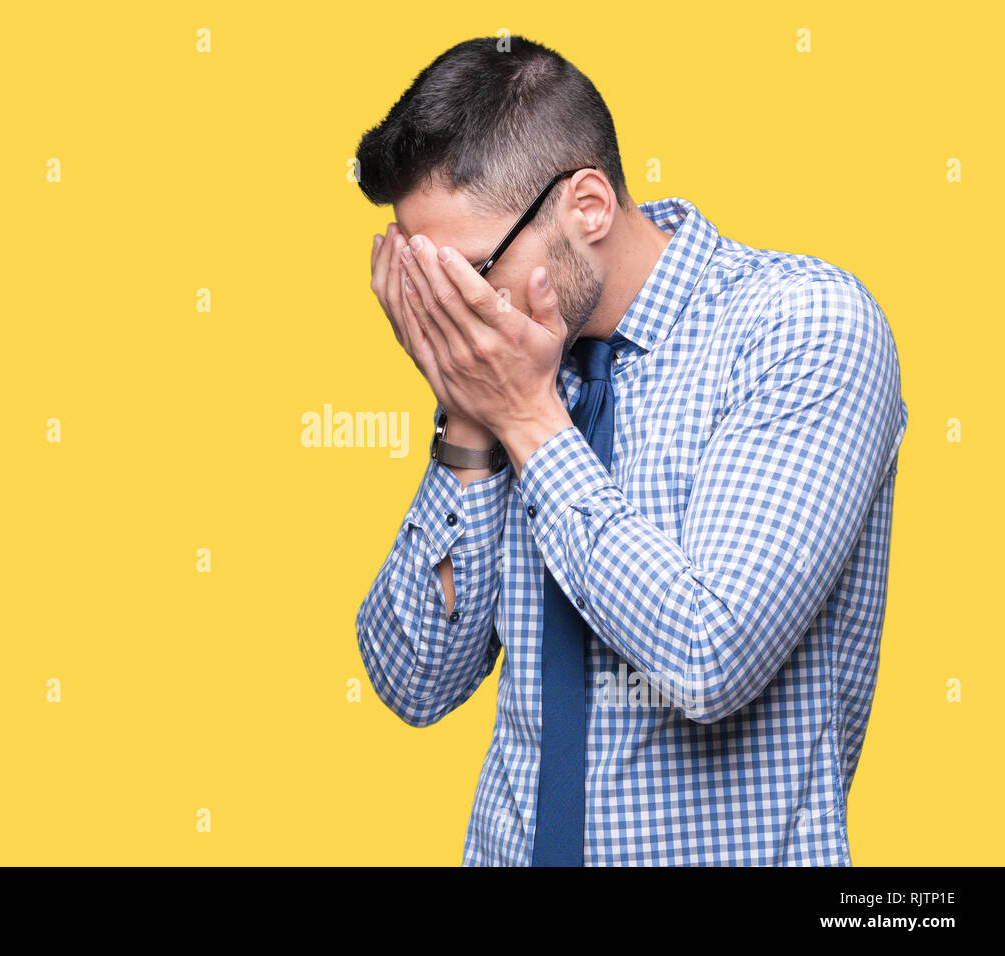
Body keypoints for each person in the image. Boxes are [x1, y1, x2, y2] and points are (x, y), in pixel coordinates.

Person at [353, 35, 908, 866]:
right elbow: (414, 683)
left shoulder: (804, 327)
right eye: (429, 284)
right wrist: (468, 421)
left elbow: (708, 655)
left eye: (472, 275)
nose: (454, 315)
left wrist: (530, 423)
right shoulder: (520, 363)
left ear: (588, 206)